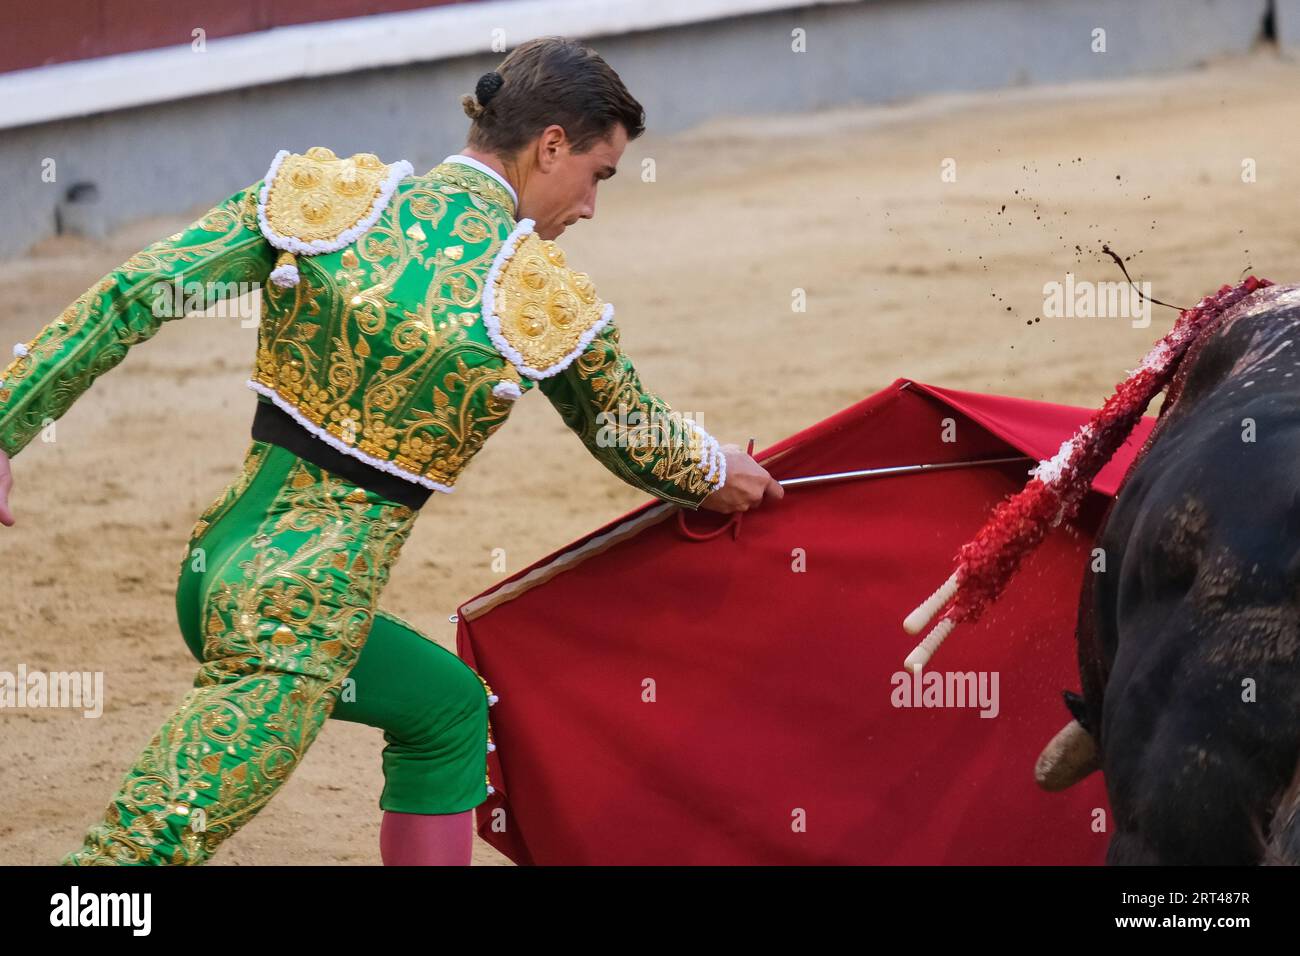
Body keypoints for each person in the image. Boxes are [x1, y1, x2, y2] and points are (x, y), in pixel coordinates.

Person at [0, 35, 782, 866]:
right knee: (132, 860)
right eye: (599, 175)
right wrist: (714, 470)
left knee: (446, 710)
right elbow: (631, 434)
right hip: (297, 624)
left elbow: (134, 295)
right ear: (551, 144)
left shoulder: (327, 200)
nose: (590, 207)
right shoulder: (531, 291)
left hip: (215, 571)